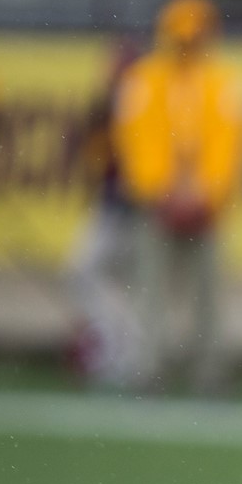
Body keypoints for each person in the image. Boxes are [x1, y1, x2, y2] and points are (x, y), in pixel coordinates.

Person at [113, 0, 242, 394]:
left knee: (208, 294)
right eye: (182, 38)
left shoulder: (225, 82)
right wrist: (162, 192)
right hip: (158, 206)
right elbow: (137, 141)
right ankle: (147, 369)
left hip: (206, 209)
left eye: (195, 38)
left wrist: (205, 194)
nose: (188, 46)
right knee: (150, 290)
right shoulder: (144, 79)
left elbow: (229, 145)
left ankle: (209, 373)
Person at [67, 38, 143, 389]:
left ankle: (123, 360)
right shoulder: (108, 106)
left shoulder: (143, 104)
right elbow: (93, 152)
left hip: (136, 210)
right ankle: (115, 355)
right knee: (90, 275)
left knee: (111, 281)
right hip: (114, 206)